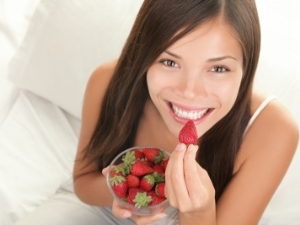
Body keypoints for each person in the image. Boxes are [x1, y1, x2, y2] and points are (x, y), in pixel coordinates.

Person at [14, 0, 298, 225]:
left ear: (246, 69)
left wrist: (198, 213)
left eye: (218, 68)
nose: (190, 91)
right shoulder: (107, 81)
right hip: (102, 208)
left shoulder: (273, 129)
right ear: (145, 54)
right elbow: (84, 184)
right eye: (169, 62)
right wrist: (127, 192)